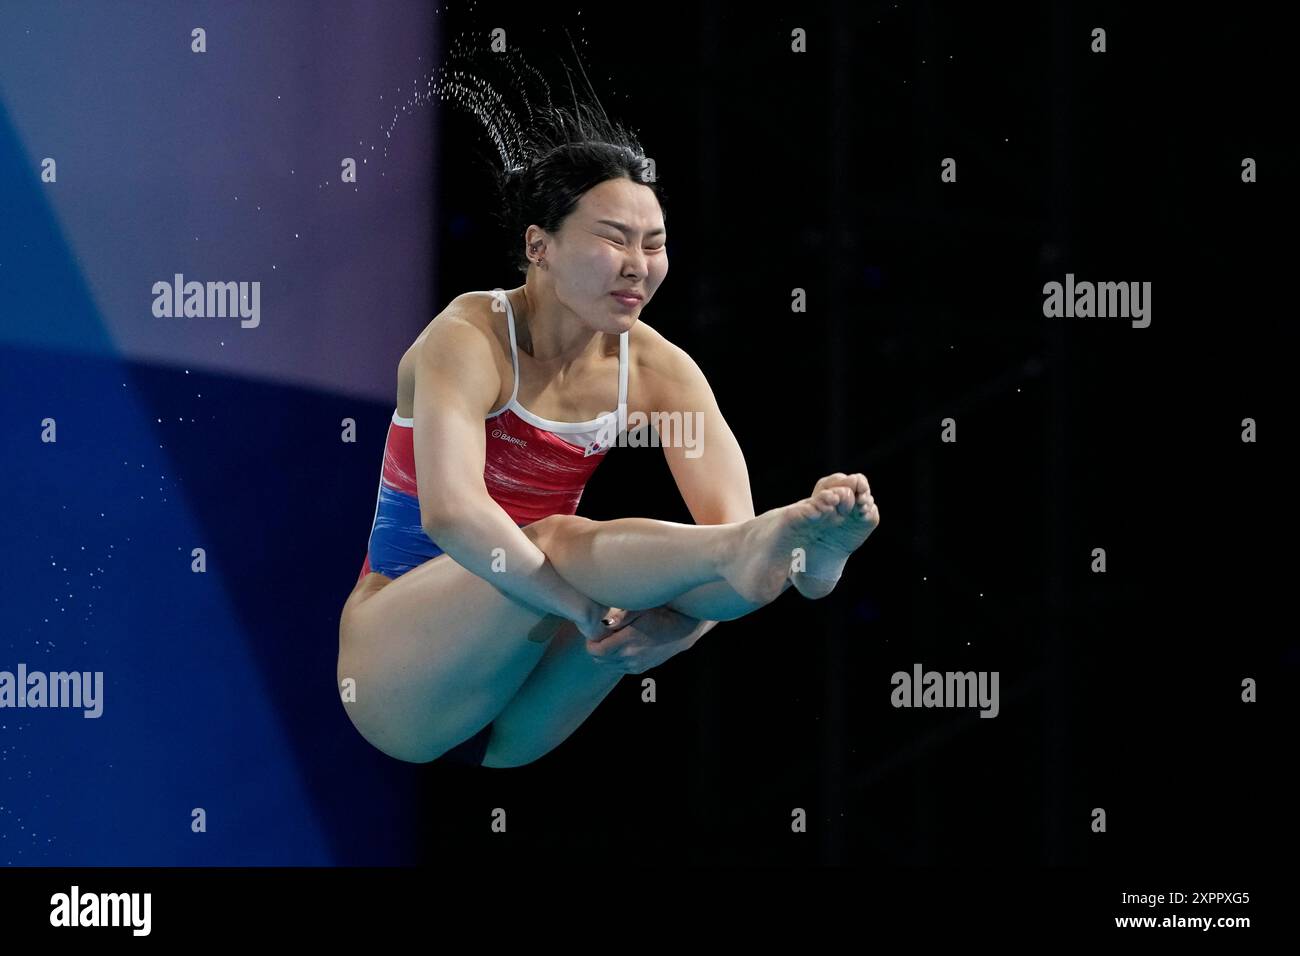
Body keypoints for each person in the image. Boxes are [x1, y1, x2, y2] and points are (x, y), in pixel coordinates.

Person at [337, 102, 880, 768]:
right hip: (400, 673)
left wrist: (679, 629)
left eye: (654, 244)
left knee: (721, 557)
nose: (638, 265)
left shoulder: (658, 369)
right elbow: (451, 514)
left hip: (528, 704)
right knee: (564, 542)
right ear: (539, 245)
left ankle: (810, 566)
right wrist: (586, 606)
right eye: (615, 238)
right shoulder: (468, 337)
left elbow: (730, 546)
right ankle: (794, 562)